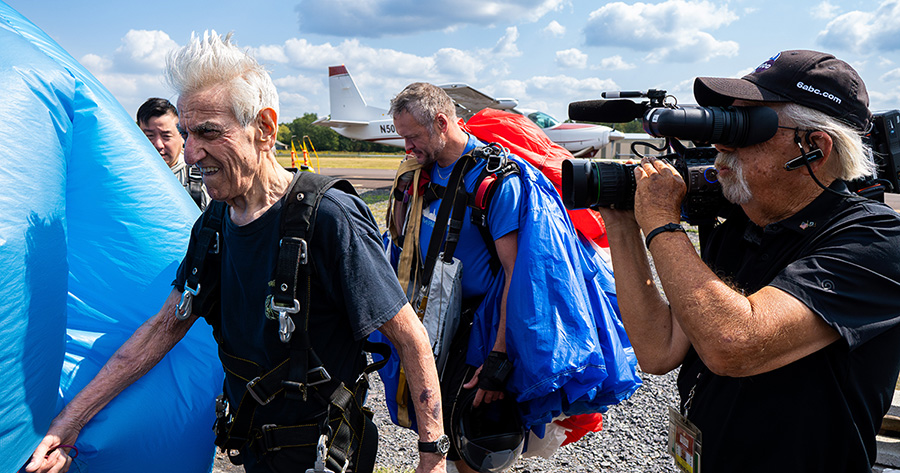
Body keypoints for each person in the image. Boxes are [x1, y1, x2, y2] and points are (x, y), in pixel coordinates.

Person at [26, 32, 446, 473]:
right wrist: (68, 423)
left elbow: (409, 337)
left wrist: (432, 456)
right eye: (187, 134)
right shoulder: (213, 225)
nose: (189, 153)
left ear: (264, 129)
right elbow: (162, 329)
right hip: (254, 450)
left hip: (326, 456)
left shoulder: (329, 217)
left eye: (208, 132)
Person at [598, 49, 900, 472]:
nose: (722, 143)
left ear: (814, 146)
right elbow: (657, 350)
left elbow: (733, 344)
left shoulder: (874, 240)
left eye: (745, 128)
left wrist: (663, 222)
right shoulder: (742, 228)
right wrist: (623, 224)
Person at [386, 83, 639, 473]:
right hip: (438, 325)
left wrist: (498, 361)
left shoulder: (496, 182)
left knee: (476, 447)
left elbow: (519, 276)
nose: (408, 147)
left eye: (414, 137)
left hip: (481, 334)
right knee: (436, 433)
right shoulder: (420, 176)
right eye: (403, 138)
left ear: (440, 122)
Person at [137, 97, 210, 210]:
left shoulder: (205, 180)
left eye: (166, 136)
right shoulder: (127, 177)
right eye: (149, 136)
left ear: (182, 136)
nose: (158, 145)